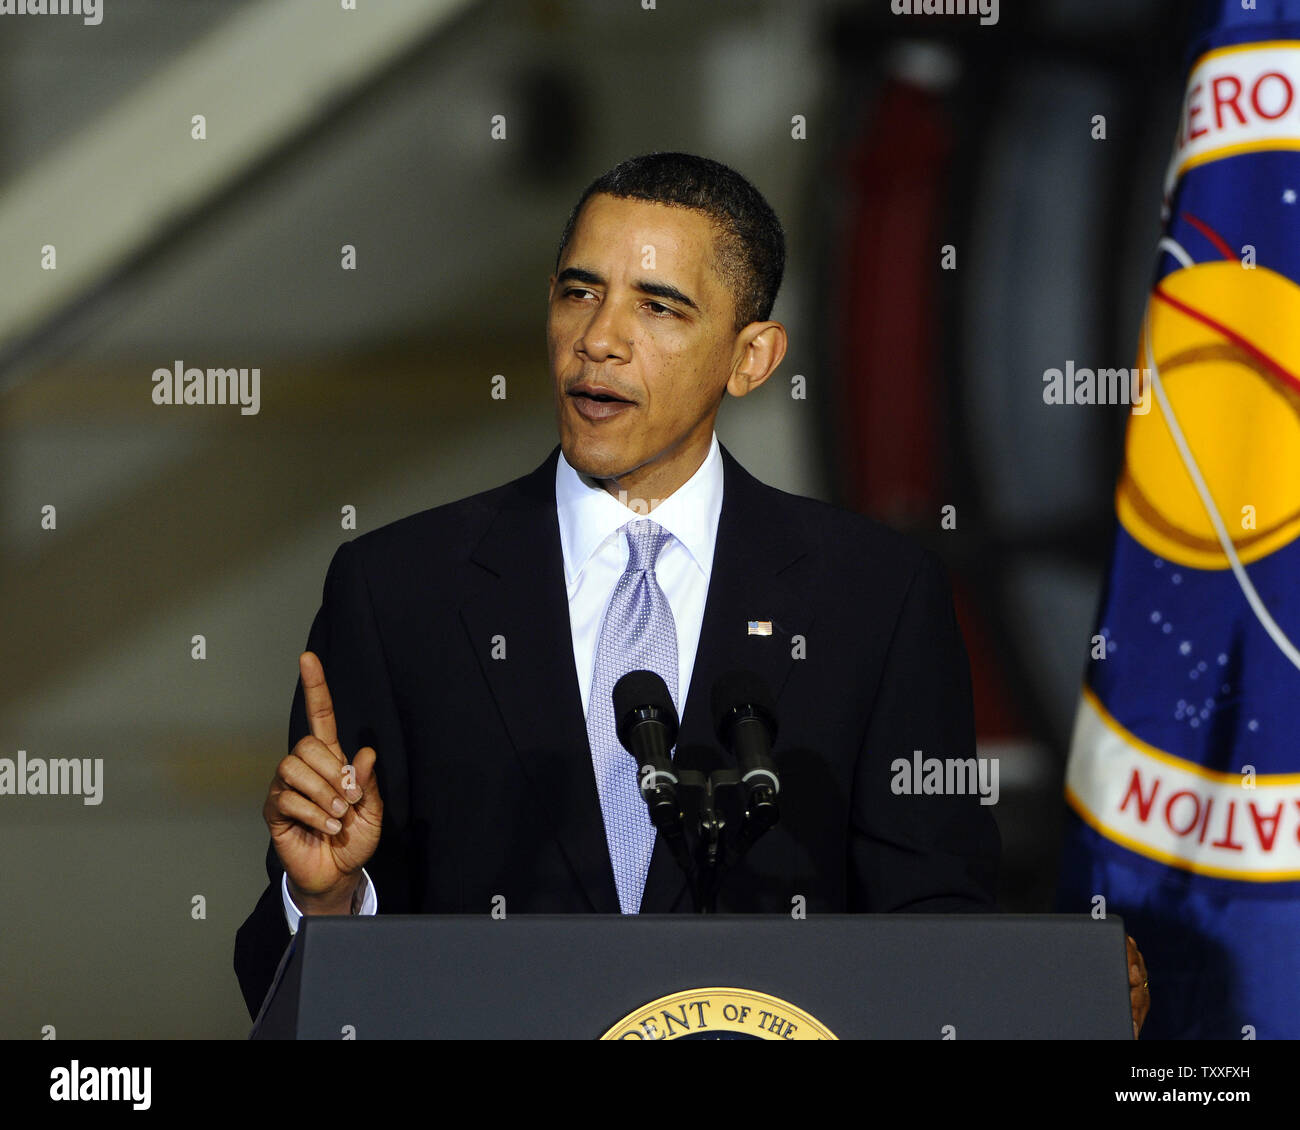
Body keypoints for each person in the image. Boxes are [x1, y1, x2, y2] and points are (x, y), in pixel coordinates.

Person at [234, 151, 1149, 1036]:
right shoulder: (400, 591)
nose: (599, 339)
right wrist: (329, 899)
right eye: (578, 291)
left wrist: (1060, 1001)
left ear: (750, 358)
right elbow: (280, 983)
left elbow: (934, 923)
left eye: (659, 307)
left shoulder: (872, 596)